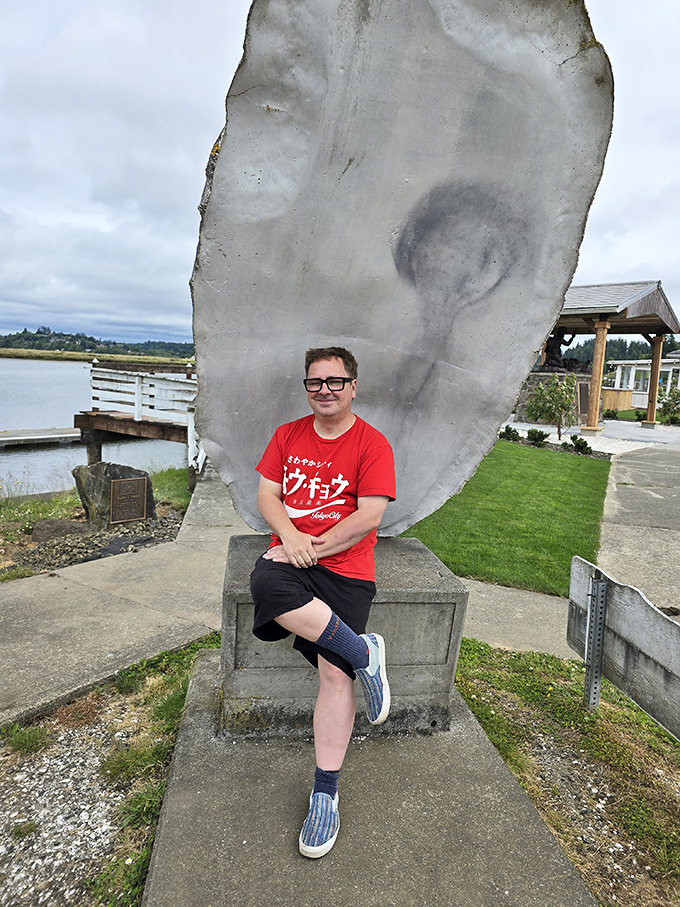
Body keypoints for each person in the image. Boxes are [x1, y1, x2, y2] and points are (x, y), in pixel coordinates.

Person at [249, 346, 396, 859]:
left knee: (334, 676)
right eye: (316, 382)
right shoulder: (287, 435)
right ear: (307, 387)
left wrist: (310, 549)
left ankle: (325, 795)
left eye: (336, 381)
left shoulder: (373, 444)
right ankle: (364, 652)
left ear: (353, 386)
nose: (325, 390)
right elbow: (267, 495)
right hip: (292, 555)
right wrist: (290, 537)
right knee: (266, 584)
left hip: (346, 569)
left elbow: (369, 517)